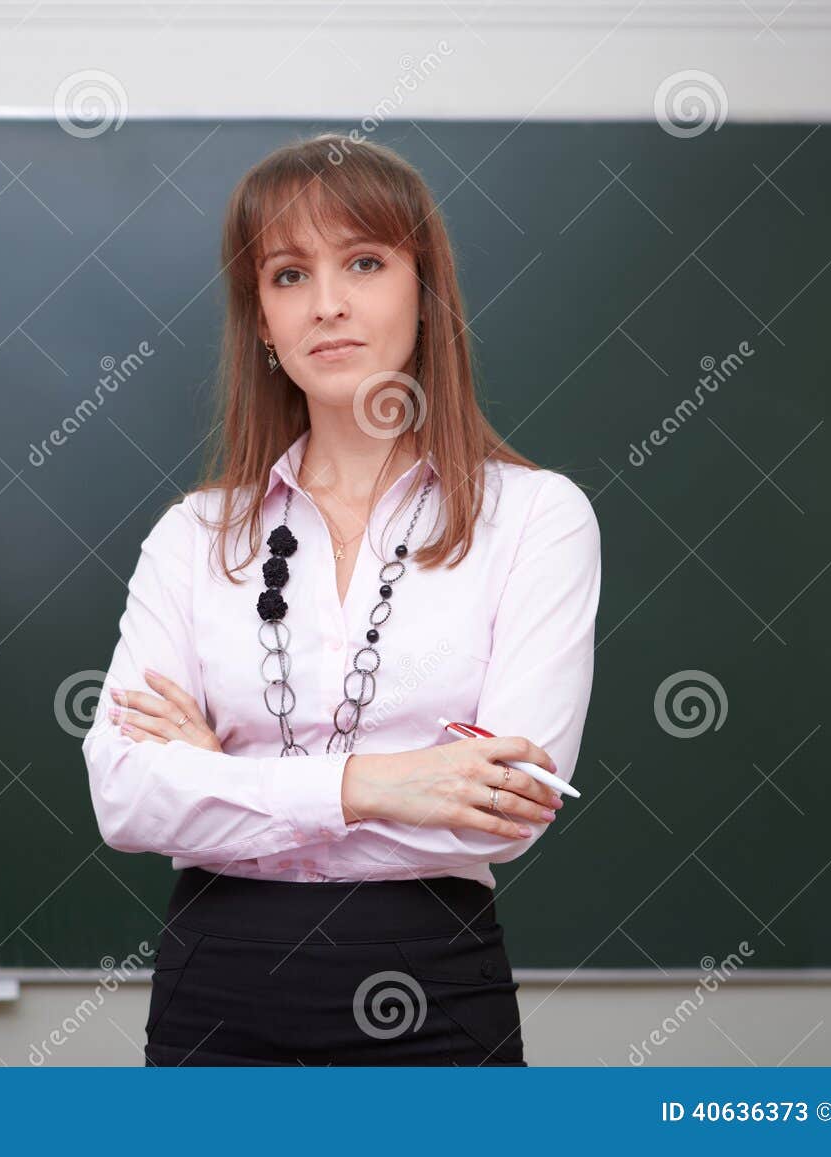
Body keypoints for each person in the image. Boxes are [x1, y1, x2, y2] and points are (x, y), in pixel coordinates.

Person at [81, 132, 601, 1066]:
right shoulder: (195, 536)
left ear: (423, 288)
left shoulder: (537, 517)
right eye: (287, 275)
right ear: (263, 322)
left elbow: (511, 803)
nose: (327, 304)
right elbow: (124, 795)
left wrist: (224, 777)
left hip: (434, 989)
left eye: (364, 261)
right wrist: (385, 783)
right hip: (215, 994)